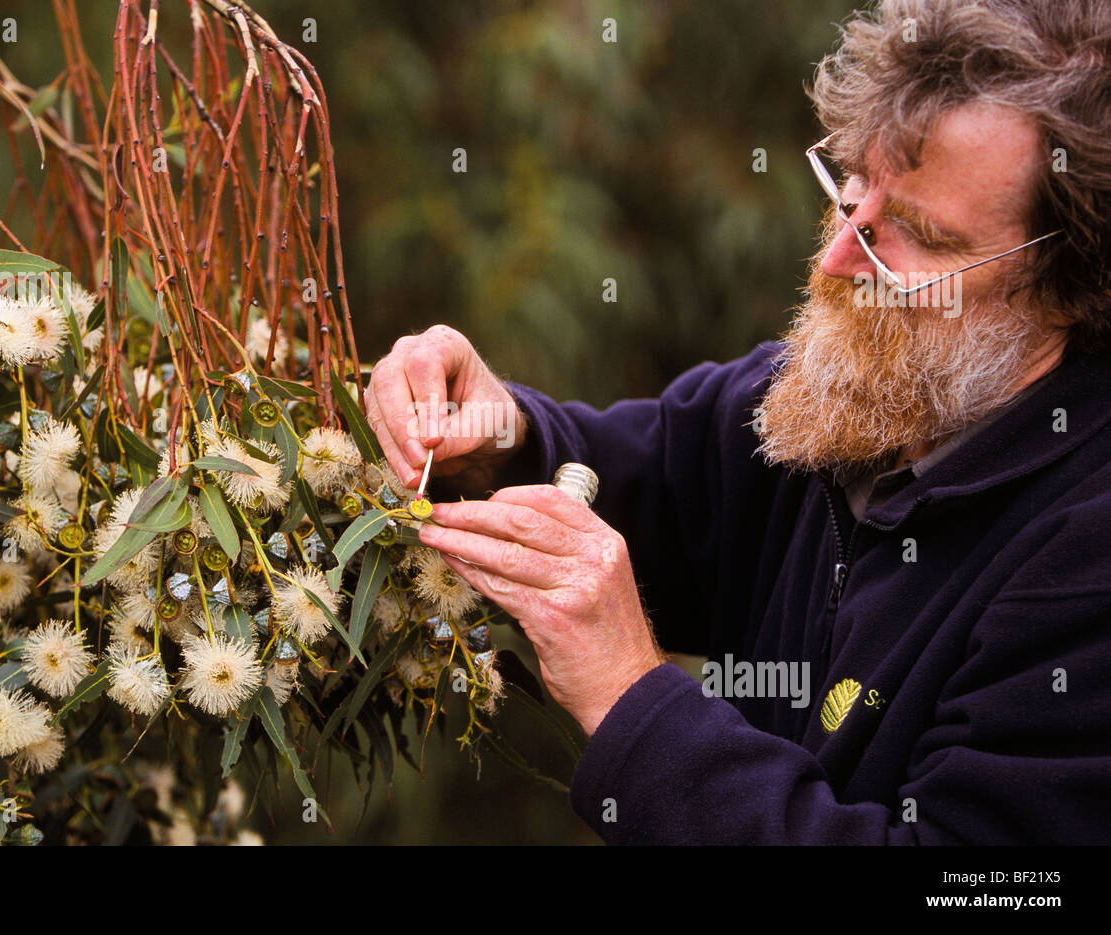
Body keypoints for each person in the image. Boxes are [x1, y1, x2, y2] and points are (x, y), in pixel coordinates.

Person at [364, 0, 1111, 844]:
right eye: (850, 191)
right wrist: (499, 438)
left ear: (1069, 287)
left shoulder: (1086, 558)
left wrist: (630, 697)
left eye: (915, 237)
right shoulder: (860, 390)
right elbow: (654, 481)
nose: (835, 258)